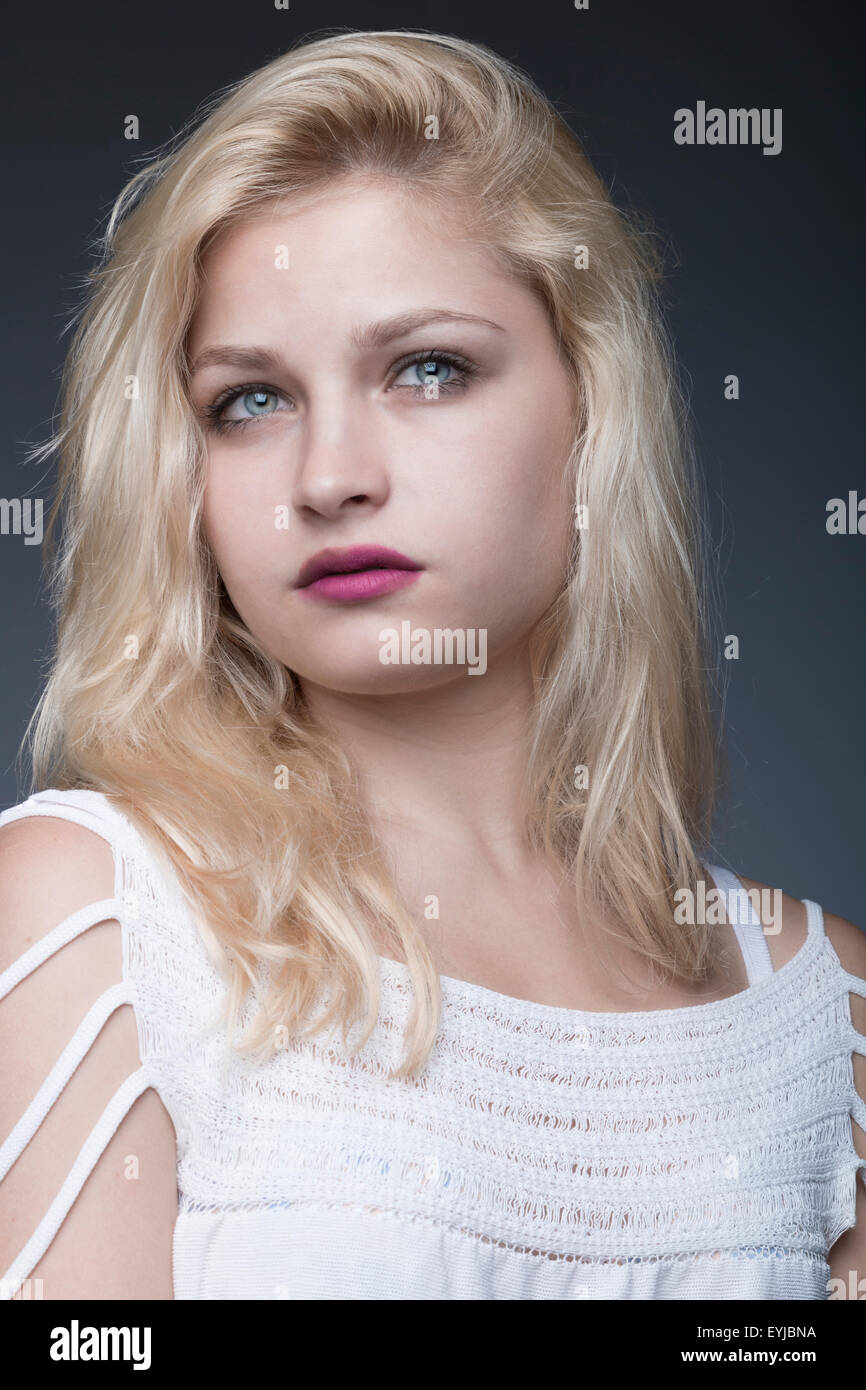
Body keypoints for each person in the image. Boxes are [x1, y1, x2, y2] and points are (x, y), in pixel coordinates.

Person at [1, 28, 864, 1302]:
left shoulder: (821, 1009)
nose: (329, 475)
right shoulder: (95, 912)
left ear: (590, 409)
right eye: (249, 400)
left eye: (426, 369)